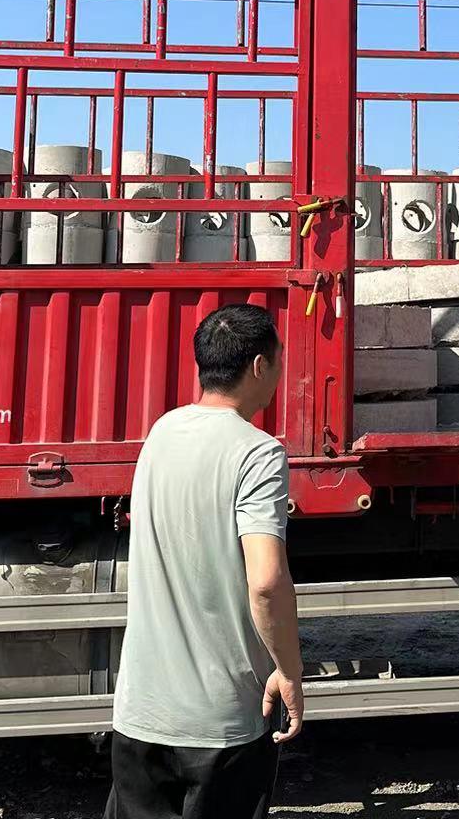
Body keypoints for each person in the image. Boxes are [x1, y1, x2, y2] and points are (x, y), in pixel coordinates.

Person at [107, 303, 302, 819]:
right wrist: (289, 670)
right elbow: (266, 582)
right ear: (259, 366)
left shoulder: (162, 432)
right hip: (220, 726)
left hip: (140, 716)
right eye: (279, 360)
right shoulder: (258, 453)